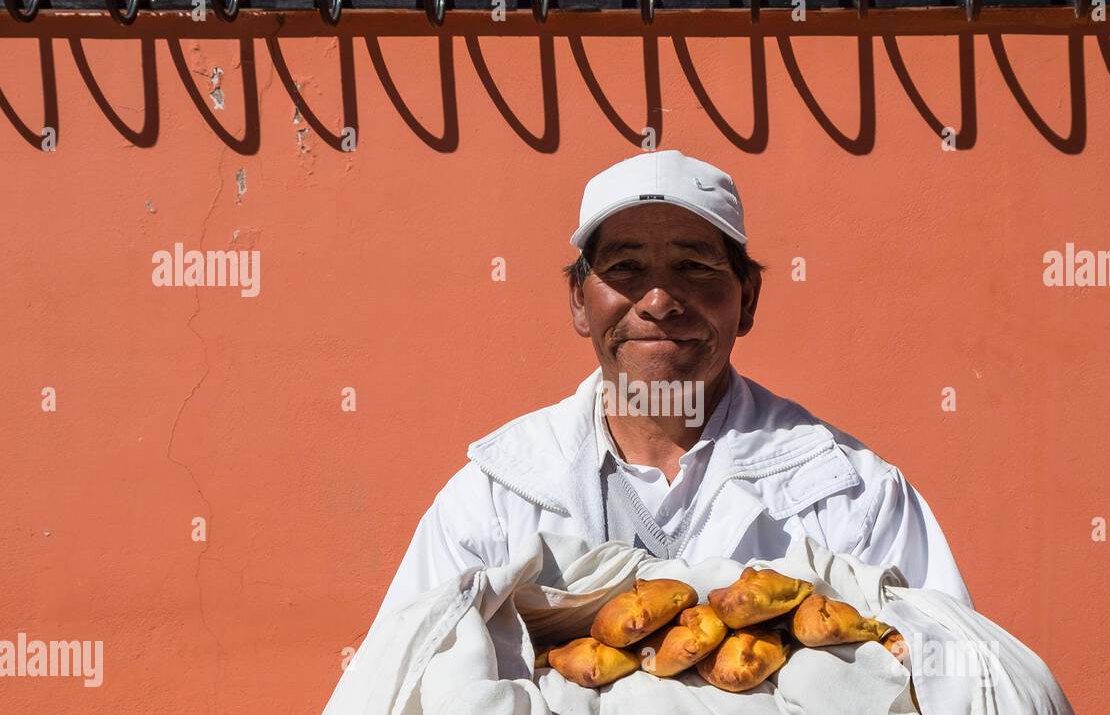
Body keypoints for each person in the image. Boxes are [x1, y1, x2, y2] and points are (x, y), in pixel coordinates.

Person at [375, 149, 971, 625]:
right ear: (580, 304)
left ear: (748, 302)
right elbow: (398, 698)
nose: (658, 302)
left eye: (694, 267)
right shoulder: (494, 498)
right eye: (626, 269)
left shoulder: (849, 494)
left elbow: (956, 689)